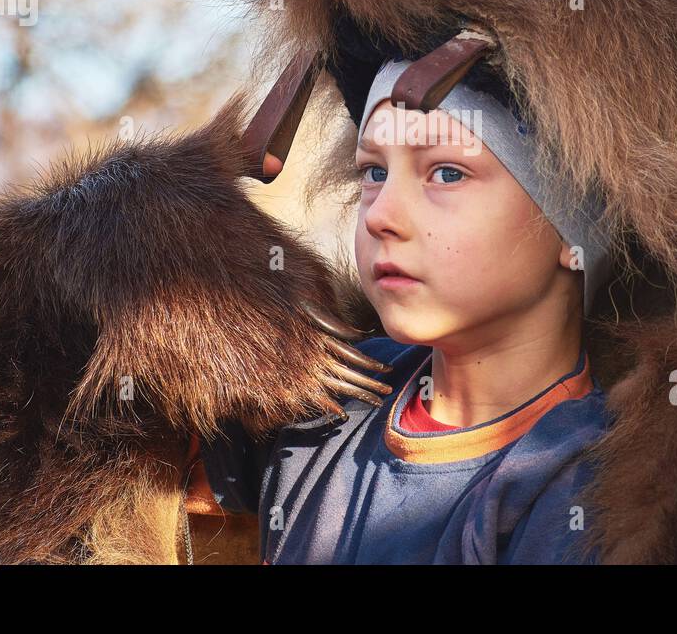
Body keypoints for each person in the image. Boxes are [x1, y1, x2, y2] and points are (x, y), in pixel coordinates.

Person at [196, 57, 617, 564]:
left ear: (570, 232)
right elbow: (99, 440)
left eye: (446, 173)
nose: (380, 215)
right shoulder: (321, 395)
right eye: (374, 171)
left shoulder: (598, 493)